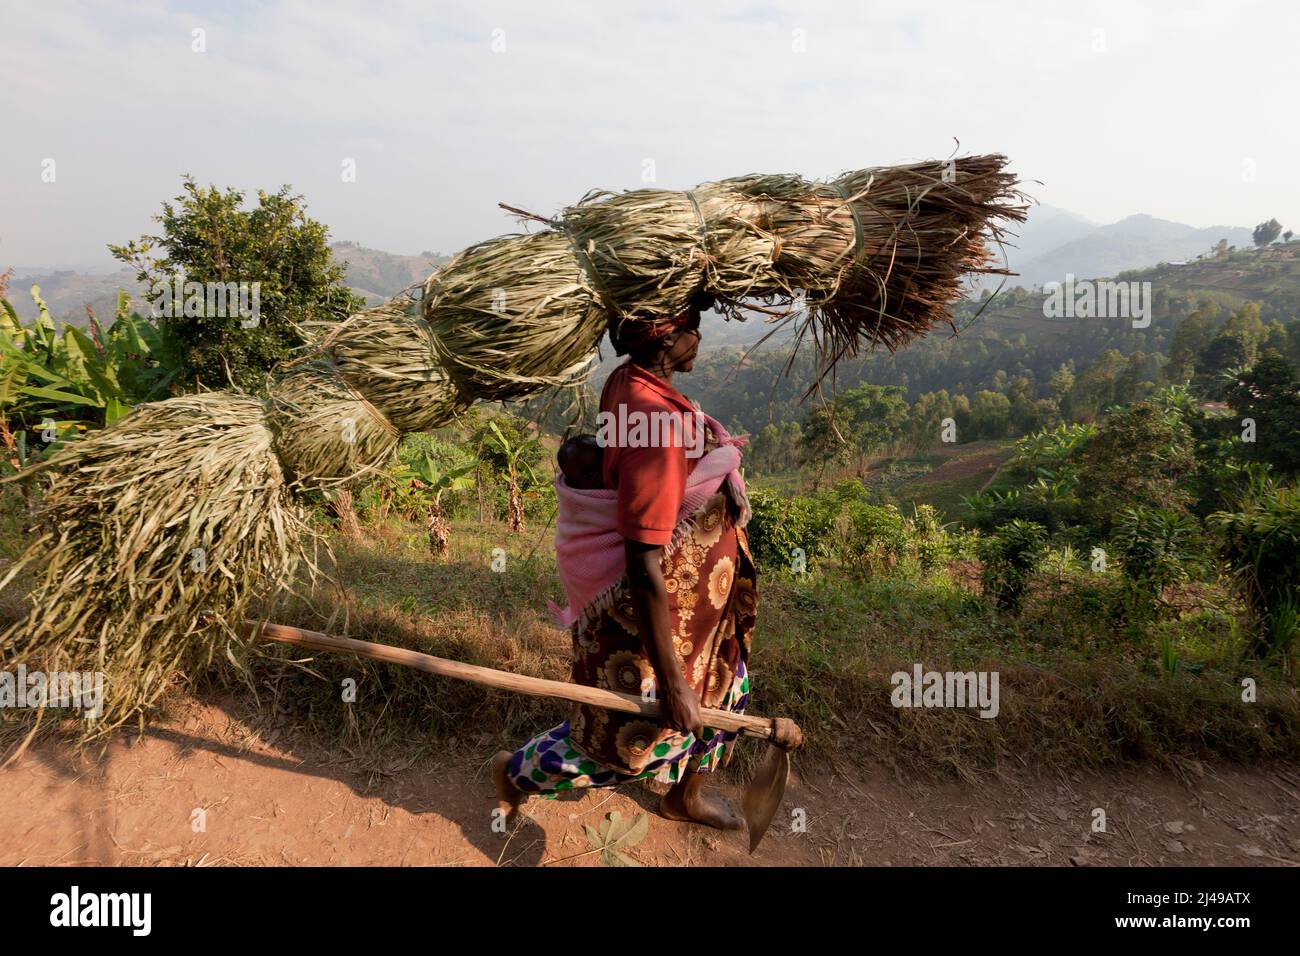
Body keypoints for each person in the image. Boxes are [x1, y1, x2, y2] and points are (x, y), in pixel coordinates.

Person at [492, 292, 757, 830]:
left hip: (702, 606)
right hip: (658, 616)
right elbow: (642, 561)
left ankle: (685, 797)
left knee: (729, 688)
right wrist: (674, 681)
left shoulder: (630, 380)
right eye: (693, 327)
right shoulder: (655, 427)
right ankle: (516, 773)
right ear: (665, 338)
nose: (699, 339)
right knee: (623, 732)